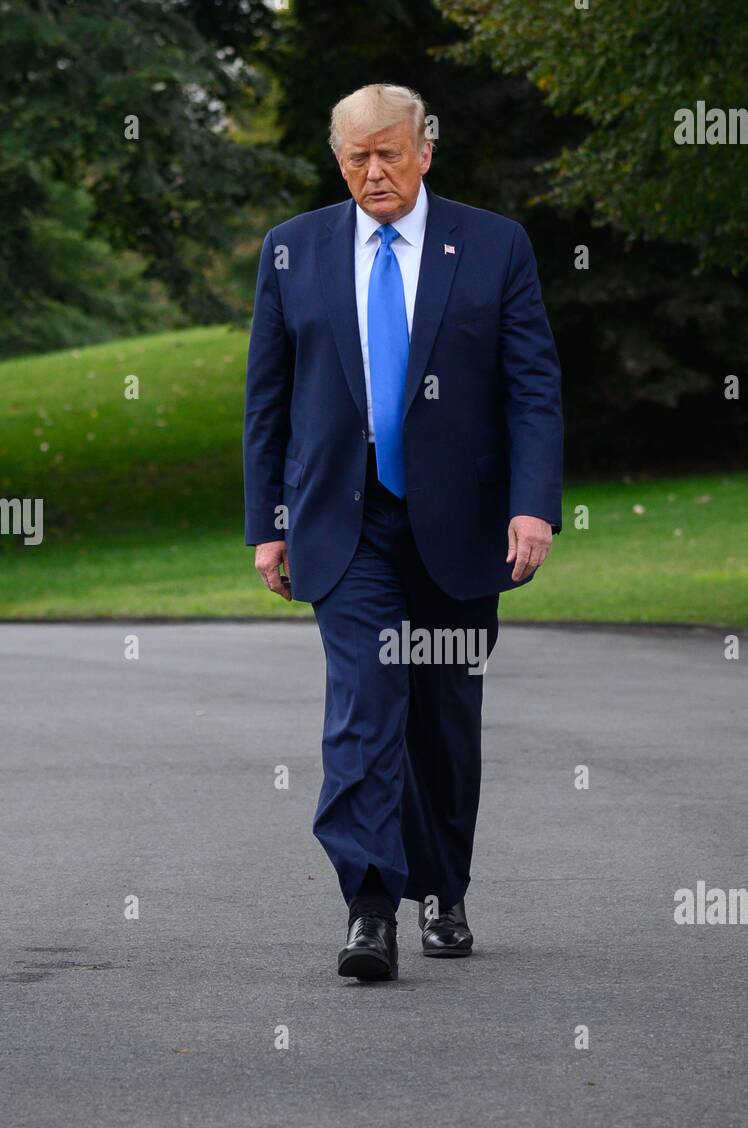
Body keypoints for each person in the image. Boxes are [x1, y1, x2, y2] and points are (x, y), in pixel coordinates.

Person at [244, 83, 563, 982]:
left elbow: (531, 387)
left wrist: (531, 505)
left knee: (442, 717)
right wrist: (267, 525)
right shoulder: (291, 251)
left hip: (460, 526)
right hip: (341, 526)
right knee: (364, 705)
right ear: (336, 158)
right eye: (354, 157)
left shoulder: (493, 244)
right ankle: (370, 908)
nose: (371, 172)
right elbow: (266, 402)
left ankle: (444, 889)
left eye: (387, 152)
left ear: (424, 149)